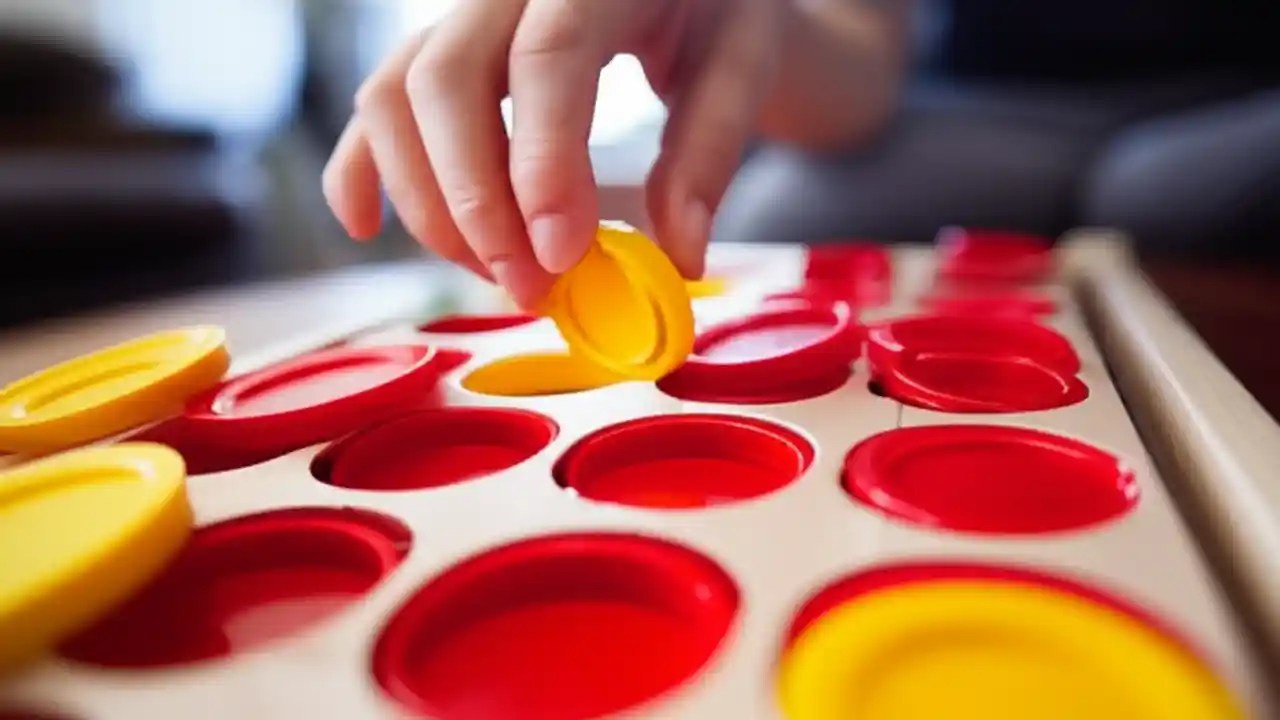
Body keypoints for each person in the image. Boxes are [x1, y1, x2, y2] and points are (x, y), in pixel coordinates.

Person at [322, 0, 1280, 310]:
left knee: (1161, 188)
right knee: (782, 214)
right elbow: (859, 59)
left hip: (1242, 102)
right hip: (996, 114)